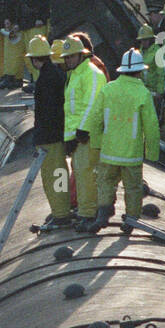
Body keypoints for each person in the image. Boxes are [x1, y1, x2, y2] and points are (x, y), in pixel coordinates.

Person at [83, 49, 161, 235]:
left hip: (109, 150)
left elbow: (95, 119)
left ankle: (103, 215)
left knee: (105, 182)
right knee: (133, 187)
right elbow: (151, 126)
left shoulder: (108, 89)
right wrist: (152, 153)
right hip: (131, 153)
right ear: (139, 71)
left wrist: (96, 143)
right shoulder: (143, 93)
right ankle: (131, 221)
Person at [27, 35, 73, 230]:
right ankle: (62, 210)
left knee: (53, 176)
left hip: (49, 137)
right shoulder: (57, 74)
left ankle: (61, 214)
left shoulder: (45, 78)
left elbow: (46, 111)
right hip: (58, 135)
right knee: (60, 173)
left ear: (34, 59)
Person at [61, 36, 106, 230]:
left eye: (71, 56)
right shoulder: (76, 74)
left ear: (81, 55)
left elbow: (92, 103)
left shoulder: (91, 74)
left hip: (87, 135)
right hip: (77, 136)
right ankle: (86, 212)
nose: (68, 60)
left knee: (86, 174)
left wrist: (82, 130)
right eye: (66, 57)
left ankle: (88, 213)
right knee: (81, 173)